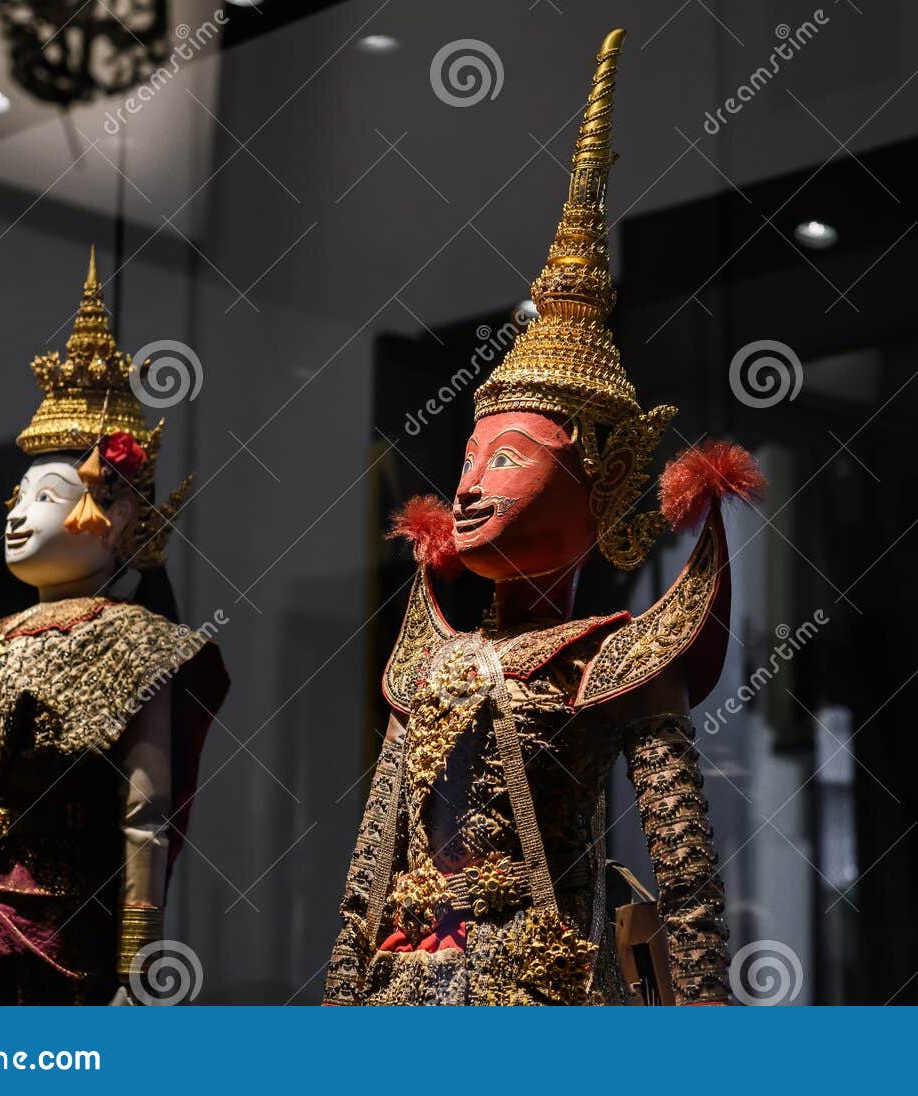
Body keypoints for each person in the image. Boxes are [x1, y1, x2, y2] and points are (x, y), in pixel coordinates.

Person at [322, 28, 764, 1006]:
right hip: (407, 989)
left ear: (601, 485)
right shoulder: (425, 664)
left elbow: (684, 889)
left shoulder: (613, 659)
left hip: (543, 995)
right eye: (470, 457)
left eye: (508, 459)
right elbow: (370, 883)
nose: (471, 485)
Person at [0, 251, 228, 1005]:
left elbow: (147, 809)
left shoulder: (137, 640)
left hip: (41, 912)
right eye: (18, 497)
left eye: (44, 496)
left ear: (119, 516)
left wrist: (141, 955)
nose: (15, 515)